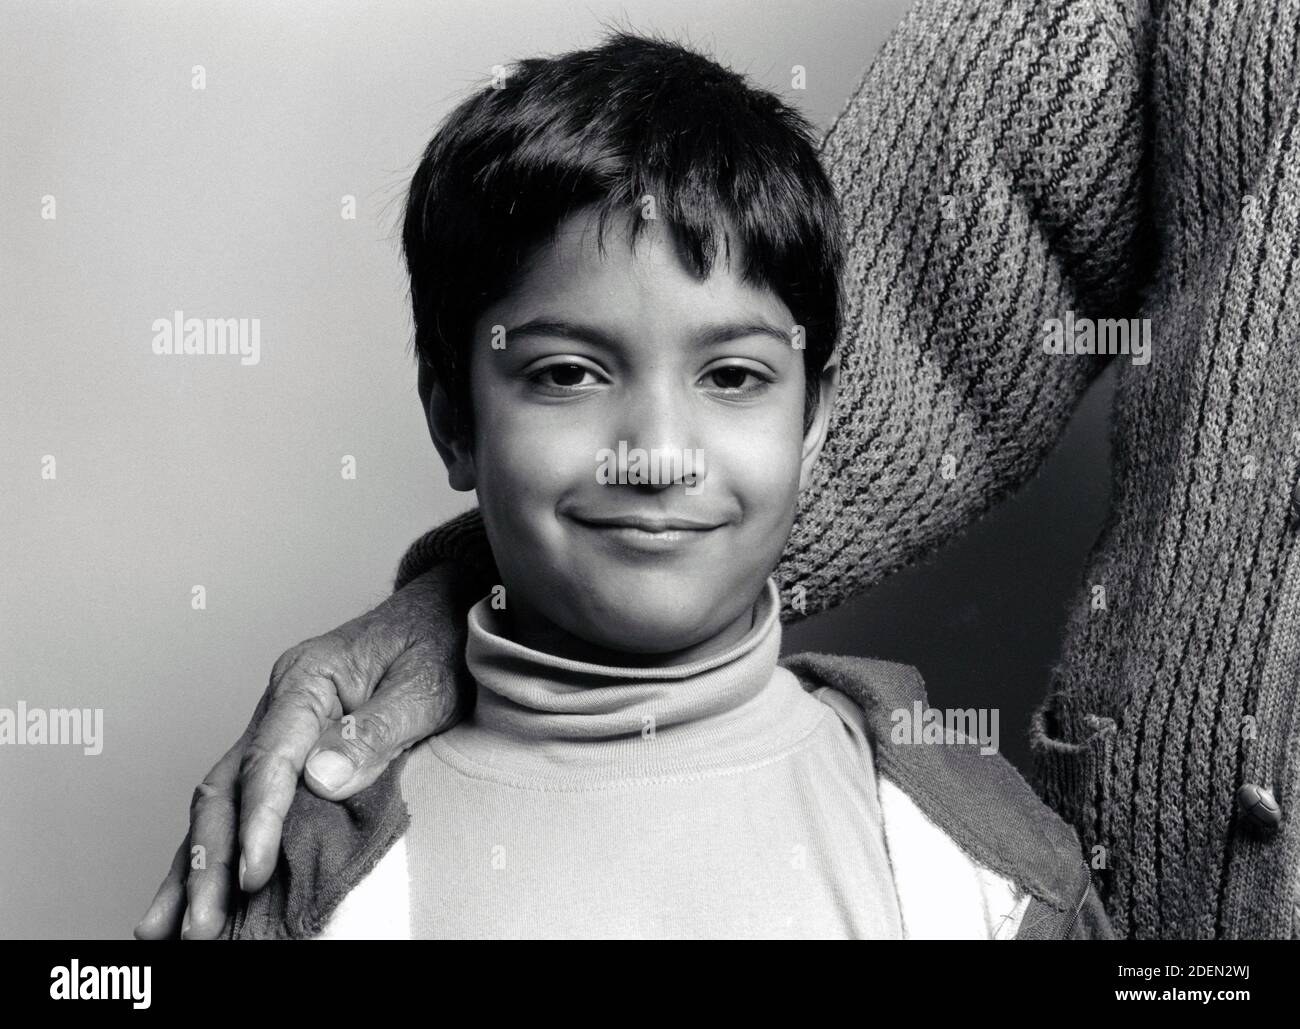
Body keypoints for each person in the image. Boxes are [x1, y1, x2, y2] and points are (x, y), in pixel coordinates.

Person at [137, 0, 1300, 942]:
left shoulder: (973, 857)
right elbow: (922, 290)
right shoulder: (312, 869)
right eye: (568, 376)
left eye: (731, 381)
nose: (655, 450)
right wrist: (466, 592)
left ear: (813, 422)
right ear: (452, 417)